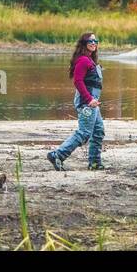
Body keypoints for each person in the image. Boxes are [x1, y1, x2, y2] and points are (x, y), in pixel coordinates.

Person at [47, 32, 106, 171]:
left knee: (98, 131)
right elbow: (78, 82)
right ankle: (57, 155)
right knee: (84, 132)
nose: (94, 43)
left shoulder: (90, 60)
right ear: (84, 43)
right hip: (87, 103)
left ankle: (95, 162)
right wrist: (89, 99)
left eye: (95, 41)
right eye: (90, 41)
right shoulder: (83, 60)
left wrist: (93, 100)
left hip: (92, 103)